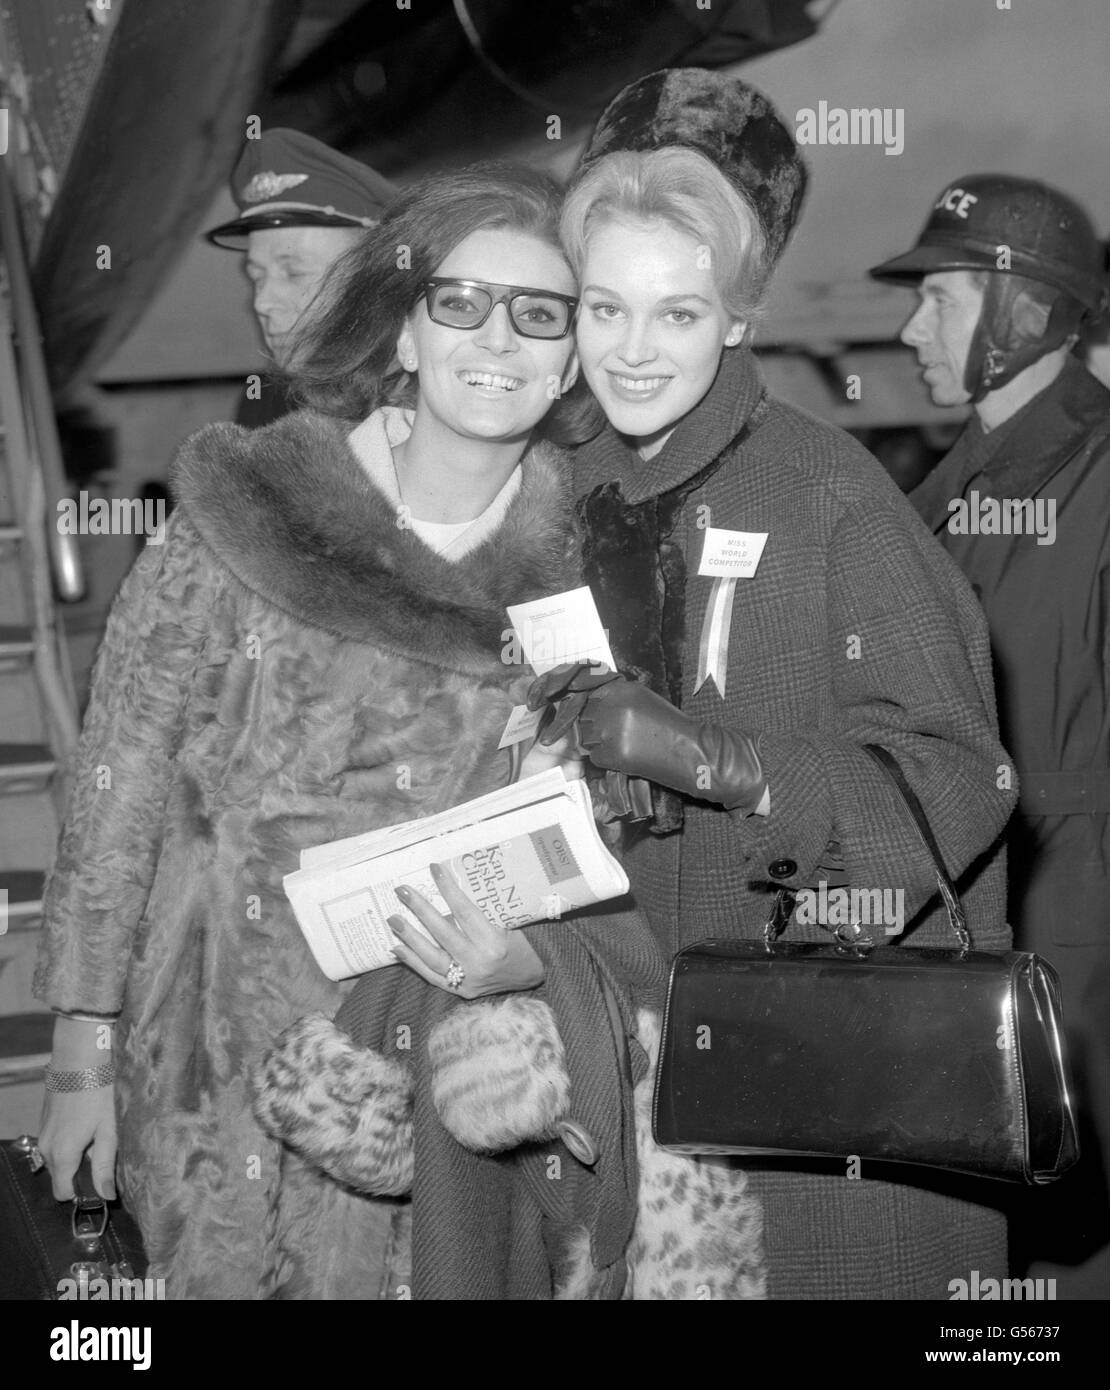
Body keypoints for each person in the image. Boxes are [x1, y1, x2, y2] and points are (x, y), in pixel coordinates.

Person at [32, 163, 670, 1300]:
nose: (498, 339)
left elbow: (604, 853)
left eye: (540, 316)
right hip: (210, 1063)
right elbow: (115, 792)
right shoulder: (240, 521)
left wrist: (529, 963)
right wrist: (82, 1048)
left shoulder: (594, 573)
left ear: (572, 357)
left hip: (428, 1082)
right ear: (407, 330)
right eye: (460, 302)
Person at [528, 68, 1019, 1300]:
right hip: (600, 1080)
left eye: (679, 315)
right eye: (604, 309)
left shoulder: (829, 497)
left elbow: (959, 781)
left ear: (738, 318)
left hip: (808, 1121)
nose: (635, 352)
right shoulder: (552, 497)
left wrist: (720, 765)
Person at [871, 175, 1110, 1294]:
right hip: (980, 943)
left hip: (1075, 954)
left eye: (941, 299)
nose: (911, 327)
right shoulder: (952, 486)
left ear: (1018, 315)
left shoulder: (1098, 478)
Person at [206, 126, 397, 426]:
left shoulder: (433, 406)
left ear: (372, 277)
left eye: (294, 272)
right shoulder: (265, 406)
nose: (262, 303)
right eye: (257, 277)